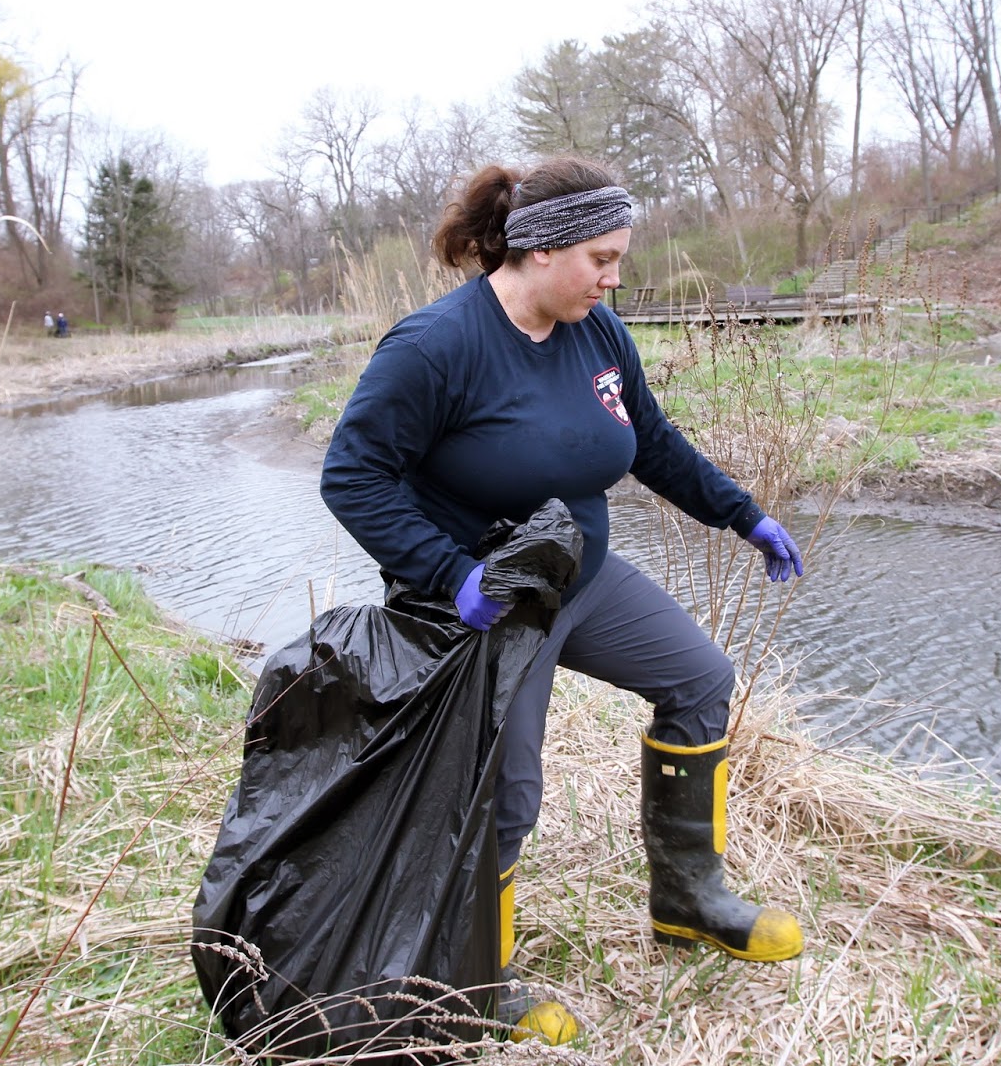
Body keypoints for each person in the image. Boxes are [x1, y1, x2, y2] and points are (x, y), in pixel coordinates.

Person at [319, 156, 806, 1044]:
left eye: (618, 258)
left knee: (700, 678)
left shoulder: (596, 332)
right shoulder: (436, 347)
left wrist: (743, 514)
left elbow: (650, 441)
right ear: (541, 249)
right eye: (601, 258)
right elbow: (353, 476)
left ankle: (689, 898)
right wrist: (448, 572)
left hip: (581, 578)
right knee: (508, 793)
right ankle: (475, 981)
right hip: (490, 603)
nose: (614, 277)